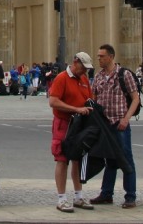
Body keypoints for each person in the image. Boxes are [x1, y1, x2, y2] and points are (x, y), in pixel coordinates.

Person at [90, 44, 138, 208]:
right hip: (105, 124)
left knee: (126, 159)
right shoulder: (98, 76)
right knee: (110, 160)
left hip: (119, 123)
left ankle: (130, 196)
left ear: (110, 57)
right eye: (98, 56)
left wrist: (126, 119)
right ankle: (106, 194)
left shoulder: (124, 74)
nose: (99, 59)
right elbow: (94, 99)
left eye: (101, 56)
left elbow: (135, 98)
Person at [48, 52, 96, 213]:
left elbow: (89, 99)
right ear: (75, 62)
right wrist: (76, 109)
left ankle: (78, 196)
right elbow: (53, 101)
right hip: (64, 123)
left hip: (79, 124)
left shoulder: (83, 79)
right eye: (83, 67)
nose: (85, 72)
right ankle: (61, 199)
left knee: (77, 158)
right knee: (62, 159)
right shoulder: (62, 78)